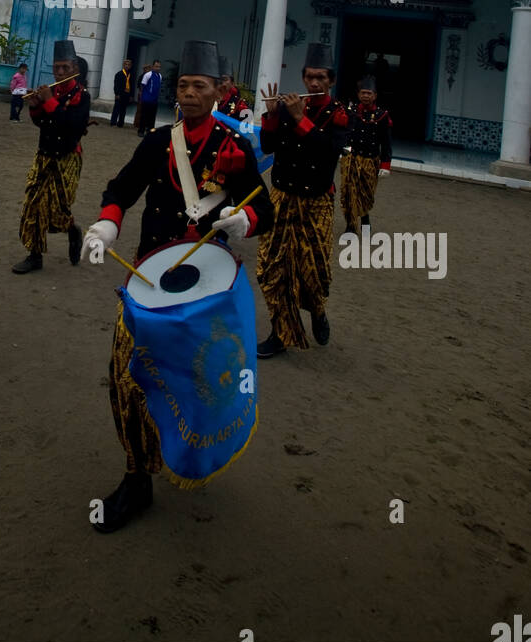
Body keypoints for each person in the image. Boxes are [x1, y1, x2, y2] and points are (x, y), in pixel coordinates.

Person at [80, 39, 273, 533]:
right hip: (150, 279)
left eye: (199, 86)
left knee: (198, 385)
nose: (188, 93)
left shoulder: (235, 147)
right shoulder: (158, 142)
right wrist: (106, 224)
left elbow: (265, 209)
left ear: (219, 91)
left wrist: (243, 221)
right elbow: (121, 189)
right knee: (127, 378)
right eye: (183, 85)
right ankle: (136, 476)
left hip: (205, 290)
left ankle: (189, 453)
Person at [255, 43, 349, 359]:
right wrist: (270, 116)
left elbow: (328, 154)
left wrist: (300, 119)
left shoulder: (338, 114)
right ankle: (281, 333)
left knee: (314, 268)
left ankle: (317, 309)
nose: (314, 83)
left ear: (331, 81)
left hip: (317, 202)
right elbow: (268, 146)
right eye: (309, 77)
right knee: (272, 267)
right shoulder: (284, 108)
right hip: (282, 196)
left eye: (321, 78)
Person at [12, 42, 90, 274]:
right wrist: (35, 107)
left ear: (75, 68)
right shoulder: (52, 92)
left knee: (57, 210)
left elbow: (71, 128)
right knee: (33, 206)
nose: (60, 73)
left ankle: (72, 229)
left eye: (65, 68)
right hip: (43, 156)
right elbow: (43, 124)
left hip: (67, 159)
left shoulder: (82, 96)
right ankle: (34, 255)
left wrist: (48, 102)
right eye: (57, 68)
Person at [340, 75, 392, 234]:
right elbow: (345, 135)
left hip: (370, 161)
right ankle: (350, 225)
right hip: (352, 159)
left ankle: (365, 217)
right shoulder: (351, 112)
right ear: (358, 94)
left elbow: (386, 141)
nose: (366, 96)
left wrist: (385, 164)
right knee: (349, 191)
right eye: (363, 93)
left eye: (369, 93)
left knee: (365, 193)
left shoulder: (382, 115)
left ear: (375, 96)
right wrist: (345, 153)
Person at [138, 59, 162, 135]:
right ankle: (141, 131)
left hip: (154, 100)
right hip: (146, 99)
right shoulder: (148, 75)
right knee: (144, 116)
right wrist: (142, 97)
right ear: (153, 66)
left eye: (159, 67)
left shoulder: (160, 76)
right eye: (156, 66)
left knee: (152, 117)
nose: (158, 68)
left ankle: (150, 131)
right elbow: (142, 86)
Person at [110, 57, 133, 127]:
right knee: (117, 108)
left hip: (127, 93)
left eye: (129, 65)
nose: (127, 66)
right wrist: (117, 93)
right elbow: (116, 85)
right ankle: (113, 122)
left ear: (130, 66)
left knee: (123, 109)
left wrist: (131, 95)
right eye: (126, 64)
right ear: (123, 65)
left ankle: (120, 123)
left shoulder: (130, 75)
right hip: (120, 93)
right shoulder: (119, 74)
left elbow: (132, 85)